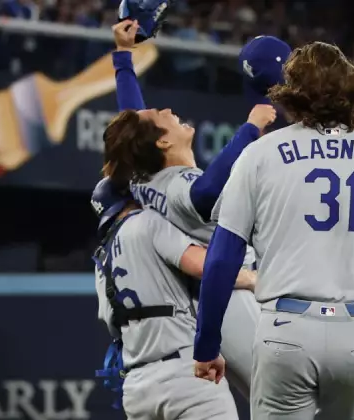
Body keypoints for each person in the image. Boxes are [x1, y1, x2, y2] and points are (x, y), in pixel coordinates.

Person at [193, 42, 354, 420]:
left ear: (289, 94)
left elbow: (222, 258)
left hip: (285, 329)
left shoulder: (260, 155)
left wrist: (207, 344)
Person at [103, 19, 288, 397]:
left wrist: (123, 56)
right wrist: (249, 129)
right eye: (162, 117)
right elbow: (204, 194)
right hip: (232, 298)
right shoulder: (176, 186)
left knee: (285, 399)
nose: (168, 109)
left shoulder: (144, 179)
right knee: (284, 398)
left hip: (222, 295)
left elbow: (133, 116)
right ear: (160, 144)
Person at [90, 178, 257, 419]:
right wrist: (253, 279)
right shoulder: (145, 222)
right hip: (184, 374)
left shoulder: (100, 260)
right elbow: (208, 267)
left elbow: (109, 323)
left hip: (137, 388)